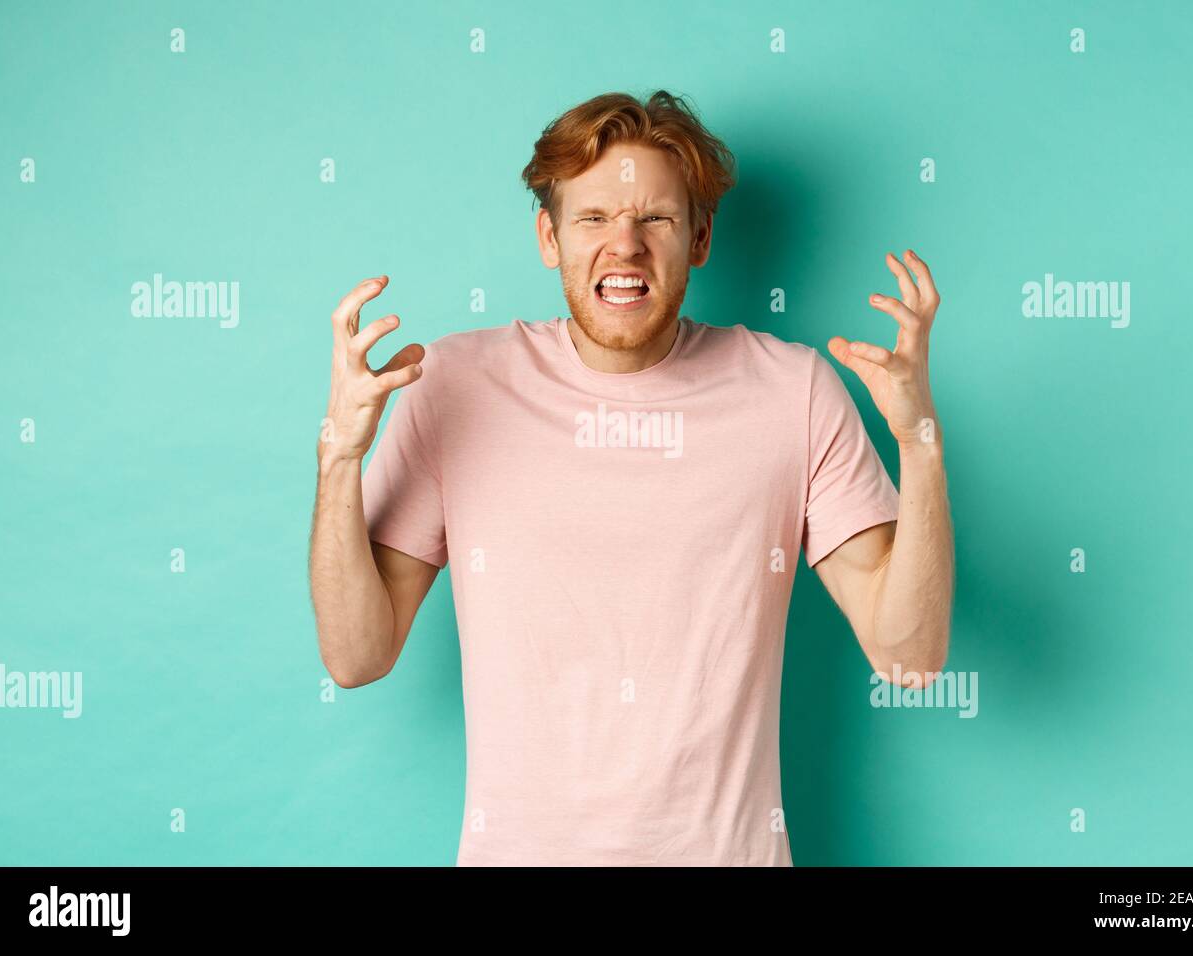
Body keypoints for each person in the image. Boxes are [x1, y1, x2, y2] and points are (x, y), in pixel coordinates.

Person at [309, 90, 954, 866]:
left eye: (655, 219)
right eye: (592, 219)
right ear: (548, 237)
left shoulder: (795, 393)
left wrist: (920, 444)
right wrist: (339, 457)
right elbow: (355, 655)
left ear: (701, 238)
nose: (625, 246)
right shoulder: (453, 386)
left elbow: (909, 657)